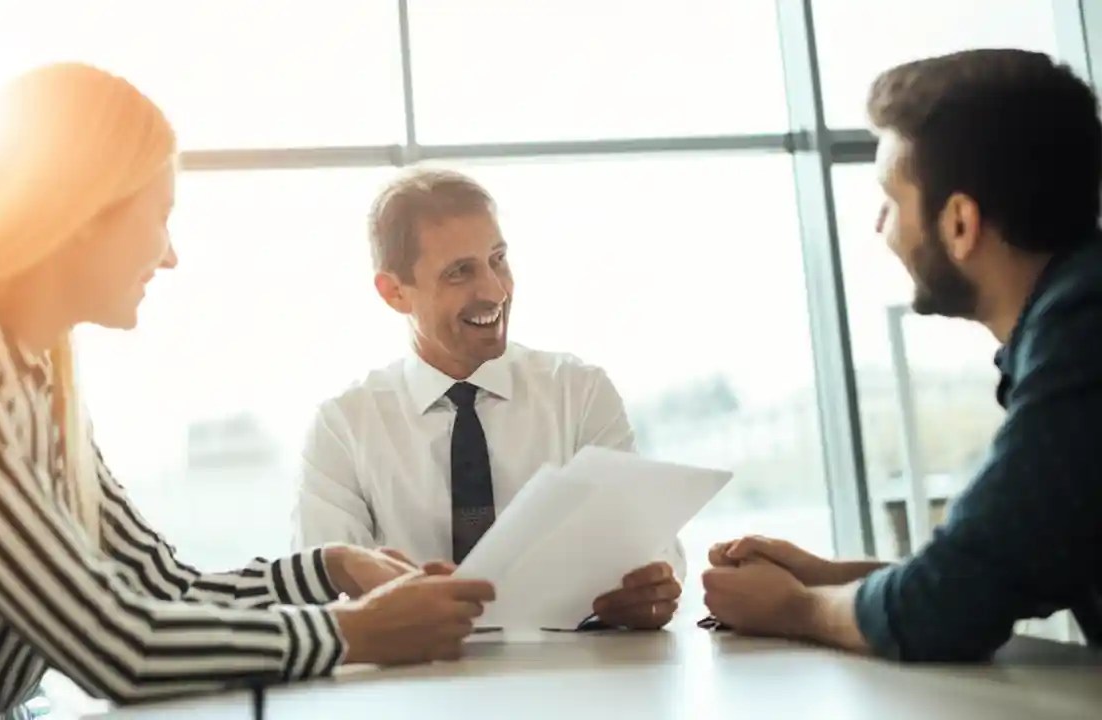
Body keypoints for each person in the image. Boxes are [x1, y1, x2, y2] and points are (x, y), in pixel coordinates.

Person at [0, 64, 494, 720]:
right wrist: (355, 633)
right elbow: (113, 643)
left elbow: (160, 589)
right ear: (79, 214)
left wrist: (332, 569)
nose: (169, 254)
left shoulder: (35, 378)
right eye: (160, 216)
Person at [702, 49, 1102, 661]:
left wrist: (794, 608)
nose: (879, 226)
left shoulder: (1082, 332)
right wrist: (823, 577)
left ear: (960, 223)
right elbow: (1007, 565)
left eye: (891, 199)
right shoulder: (1074, 317)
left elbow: (945, 607)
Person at [293, 169, 684, 631]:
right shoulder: (345, 427)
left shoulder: (578, 392)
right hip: (413, 686)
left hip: (571, 680)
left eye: (497, 260)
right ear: (394, 292)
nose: (496, 291)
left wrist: (648, 589)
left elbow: (653, 550)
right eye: (461, 272)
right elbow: (323, 595)